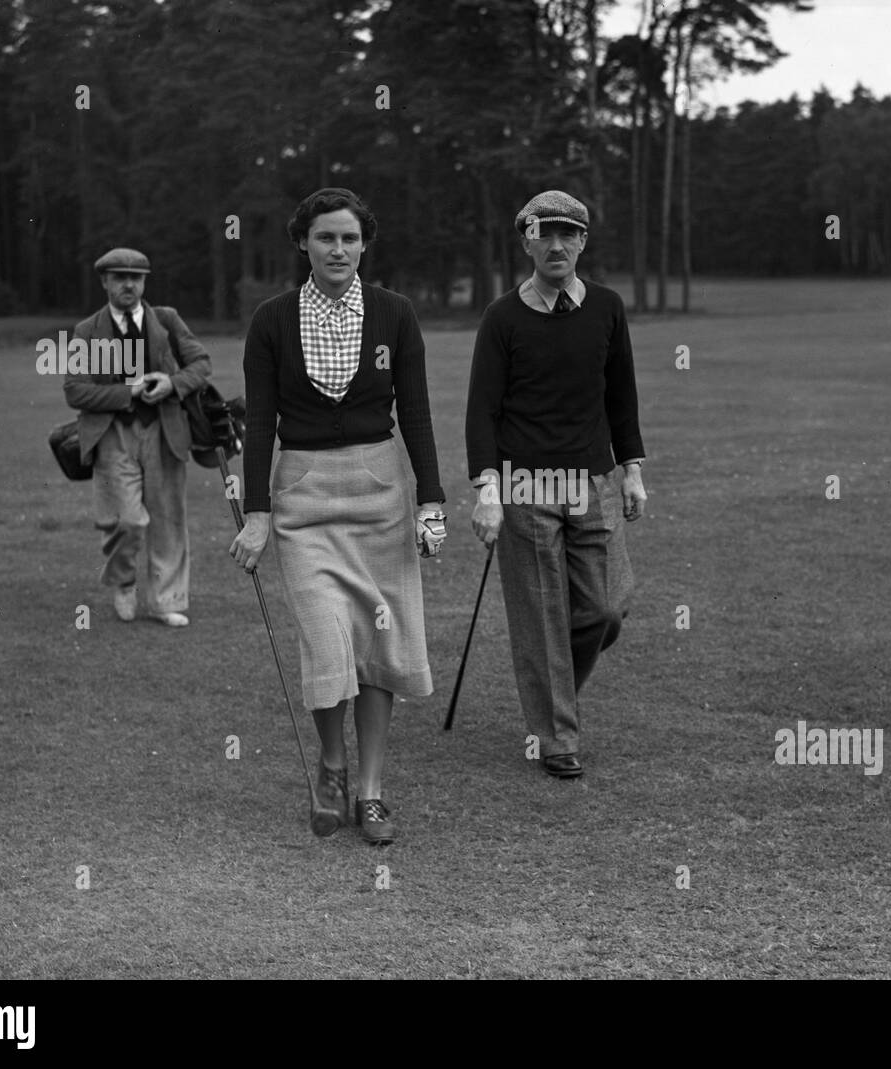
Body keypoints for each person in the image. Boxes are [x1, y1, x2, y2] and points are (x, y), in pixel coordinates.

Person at [229, 188, 446, 845]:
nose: (339, 250)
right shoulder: (271, 321)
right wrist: (258, 512)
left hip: (381, 493)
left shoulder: (394, 314)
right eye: (326, 237)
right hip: (303, 498)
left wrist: (431, 500)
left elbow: (416, 411)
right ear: (304, 243)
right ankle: (331, 763)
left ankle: (372, 791)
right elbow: (260, 420)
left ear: (364, 244)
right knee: (328, 640)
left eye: (350, 238)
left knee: (379, 645)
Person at [465, 190, 647, 779]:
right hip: (524, 485)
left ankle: (552, 685)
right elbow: (481, 411)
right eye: (545, 233)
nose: (557, 245)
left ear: (583, 242)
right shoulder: (502, 317)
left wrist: (633, 470)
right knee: (541, 614)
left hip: (591, 481)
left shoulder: (607, 307)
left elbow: (620, 394)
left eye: (569, 235)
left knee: (606, 608)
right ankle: (556, 736)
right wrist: (488, 491)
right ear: (526, 241)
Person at [64, 247, 212, 628]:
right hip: (113, 434)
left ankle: (166, 601)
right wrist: (126, 392)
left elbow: (202, 364)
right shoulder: (87, 331)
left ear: (145, 282)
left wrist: (171, 383)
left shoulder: (166, 320)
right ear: (105, 282)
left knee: (168, 518)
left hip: (165, 429)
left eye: (136, 277)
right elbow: (75, 391)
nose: (128, 284)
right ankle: (123, 581)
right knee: (126, 520)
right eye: (119, 277)